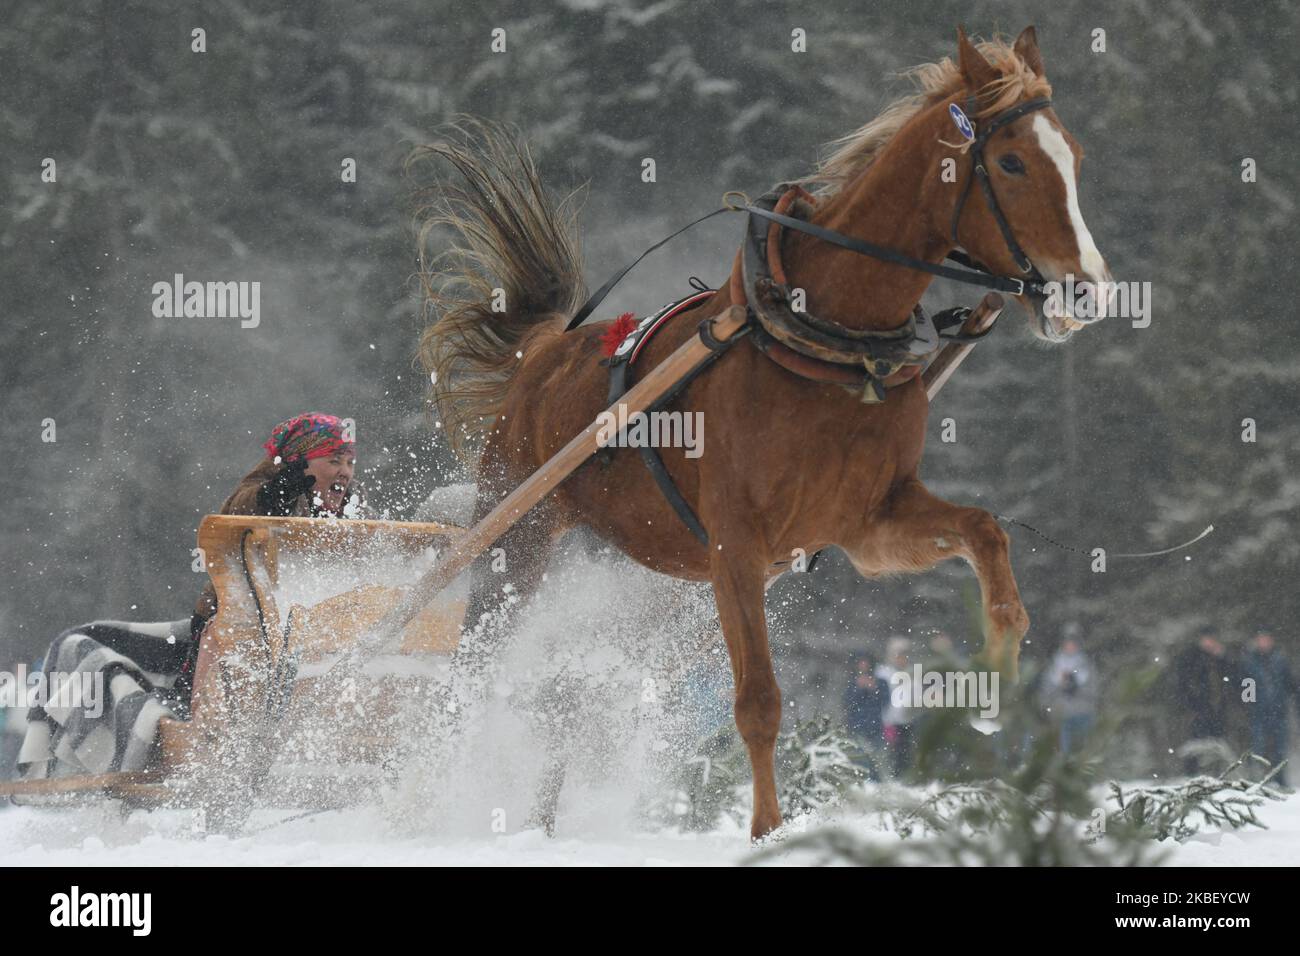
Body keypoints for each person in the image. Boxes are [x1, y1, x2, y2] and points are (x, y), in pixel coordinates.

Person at [15, 413, 362, 783]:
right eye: (333, 460)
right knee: (86, 641)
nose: (344, 471)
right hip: (229, 633)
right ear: (299, 461)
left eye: (349, 462)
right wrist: (274, 494)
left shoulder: (348, 511)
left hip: (302, 645)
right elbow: (235, 512)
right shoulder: (267, 486)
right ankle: (171, 742)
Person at [1239, 632, 1297, 788]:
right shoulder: (1250, 662)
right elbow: (1246, 688)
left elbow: (1290, 685)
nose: (1264, 643)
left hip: (1279, 712)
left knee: (1280, 748)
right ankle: (1259, 779)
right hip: (1258, 713)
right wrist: (1250, 706)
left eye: (1266, 639)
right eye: (1261, 640)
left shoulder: (1280, 660)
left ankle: (1280, 779)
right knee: (1258, 747)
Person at [1172, 632, 1232, 774]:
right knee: (1195, 743)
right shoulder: (1191, 657)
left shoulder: (1220, 659)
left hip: (1217, 709)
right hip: (1196, 709)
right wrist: (1190, 704)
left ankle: (1216, 773)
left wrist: (1222, 658)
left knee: (1216, 743)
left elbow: (1235, 677)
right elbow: (1184, 683)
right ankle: (1191, 774)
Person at [1041, 624, 1097, 755]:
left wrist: (1077, 688)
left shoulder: (1086, 664)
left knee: (1084, 744)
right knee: (1062, 745)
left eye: (1073, 643)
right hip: (1061, 712)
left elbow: (1093, 689)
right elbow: (1046, 689)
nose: (1070, 646)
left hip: (1083, 711)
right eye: (1068, 643)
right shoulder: (1055, 663)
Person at [876, 638, 917, 777]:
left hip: (908, 721)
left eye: (904, 655)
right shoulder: (883, 673)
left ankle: (903, 777)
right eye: (898, 655)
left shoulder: (913, 674)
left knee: (904, 754)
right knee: (888, 754)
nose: (902, 659)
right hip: (888, 722)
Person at [843, 655, 885, 779]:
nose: (863, 666)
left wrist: (874, 689)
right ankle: (863, 779)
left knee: (876, 758)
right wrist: (859, 689)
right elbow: (847, 702)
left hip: (875, 726)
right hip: (858, 725)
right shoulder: (851, 682)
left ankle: (876, 781)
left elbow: (885, 701)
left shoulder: (880, 682)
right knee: (860, 756)